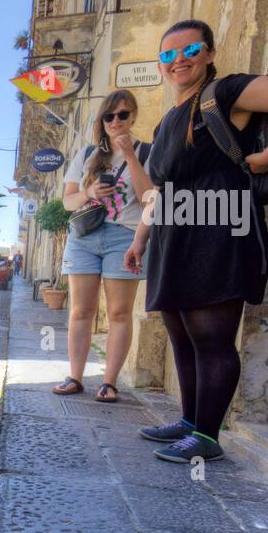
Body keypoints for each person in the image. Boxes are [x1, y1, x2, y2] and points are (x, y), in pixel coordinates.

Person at [125, 19, 268, 462]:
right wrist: (142, 238)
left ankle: (207, 437)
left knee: (211, 338)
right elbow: (160, 188)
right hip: (174, 231)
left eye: (189, 50)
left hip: (219, 230)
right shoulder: (170, 117)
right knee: (182, 336)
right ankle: (190, 422)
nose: (178, 60)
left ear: (208, 52)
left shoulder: (225, 92)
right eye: (168, 54)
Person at [52, 89, 153, 402]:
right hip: (84, 236)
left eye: (123, 114)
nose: (116, 121)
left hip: (125, 235)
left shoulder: (148, 152)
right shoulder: (86, 155)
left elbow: (150, 197)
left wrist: (132, 157)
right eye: (109, 116)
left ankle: (109, 382)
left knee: (119, 313)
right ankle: (75, 377)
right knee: (81, 310)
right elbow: (67, 202)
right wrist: (90, 193)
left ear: (133, 116)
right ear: (102, 120)